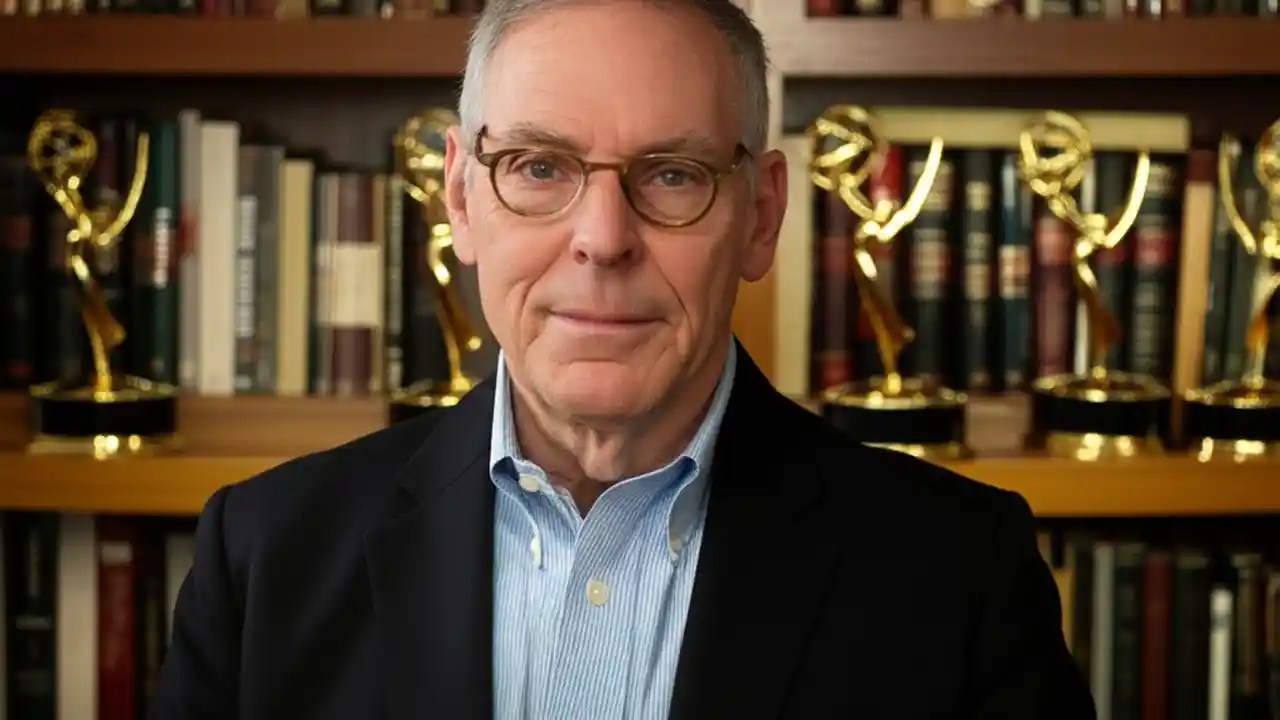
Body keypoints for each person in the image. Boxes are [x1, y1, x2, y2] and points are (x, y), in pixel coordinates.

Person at [149, 0, 1096, 717]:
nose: (603, 239)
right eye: (539, 167)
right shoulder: (264, 556)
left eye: (673, 175)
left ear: (761, 216)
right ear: (462, 198)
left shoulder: (959, 575)